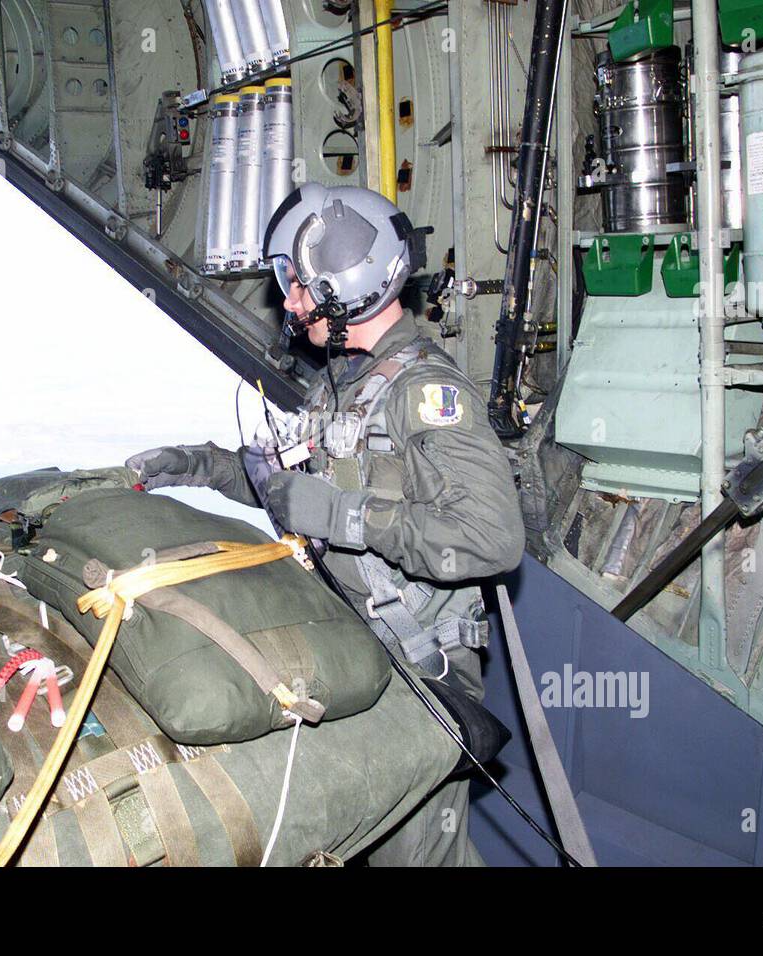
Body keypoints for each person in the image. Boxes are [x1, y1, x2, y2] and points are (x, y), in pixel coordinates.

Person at [127, 183, 524, 865]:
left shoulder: (424, 392)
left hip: (421, 672)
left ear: (346, 285)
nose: (288, 301)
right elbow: (294, 491)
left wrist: (342, 517)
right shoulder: (342, 383)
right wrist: (200, 466)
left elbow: (491, 538)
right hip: (354, 650)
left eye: (298, 284)